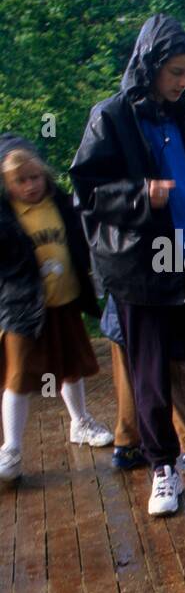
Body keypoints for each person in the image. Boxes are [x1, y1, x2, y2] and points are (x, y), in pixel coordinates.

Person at [69, 13, 185, 515]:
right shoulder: (110, 117)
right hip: (140, 268)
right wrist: (139, 196)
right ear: (150, 66)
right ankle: (163, 469)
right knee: (148, 372)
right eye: (176, 72)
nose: (184, 82)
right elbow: (85, 191)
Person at [0, 135, 112, 484]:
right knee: (18, 376)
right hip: (22, 307)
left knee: (70, 366)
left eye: (36, 177)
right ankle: (12, 447)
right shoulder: (4, 217)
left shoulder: (62, 204)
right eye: (21, 180)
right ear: (7, 183)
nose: (31, 185)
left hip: (64, 299)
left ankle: (80, 423)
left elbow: (85, 238)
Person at [100, 294, 185, 472]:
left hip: (122, 306)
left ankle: (127, 444)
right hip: (156, 305)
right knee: (171, 372)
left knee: (131, 378)